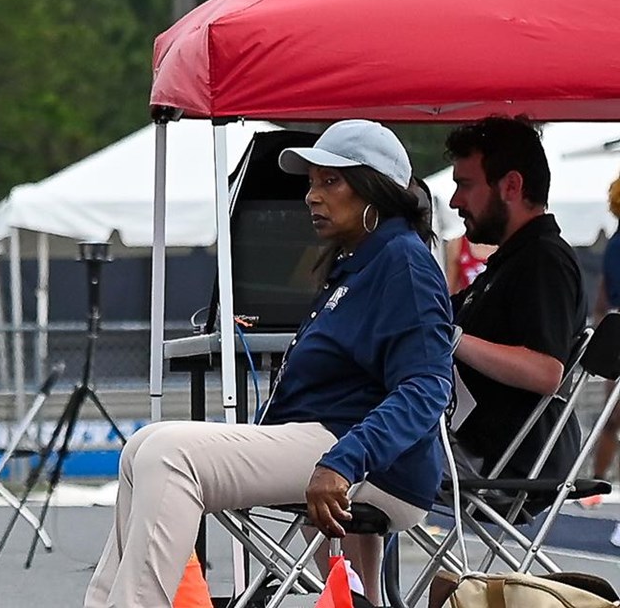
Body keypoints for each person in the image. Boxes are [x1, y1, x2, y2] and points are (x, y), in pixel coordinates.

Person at [85, 120, 452, 608]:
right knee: (143, 445)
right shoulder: (361, 261)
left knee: (168, 454)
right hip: (330, 439)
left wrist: (344, 461)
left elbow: (427, 388)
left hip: (365, 459)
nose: (311, 196)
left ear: (374, 190)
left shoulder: (403, 262)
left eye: (330, 181)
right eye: (311, 182)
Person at [444, 116, 586, 481]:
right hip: (482, 449)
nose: (455, 200)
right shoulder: (512, 262)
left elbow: (545, 371)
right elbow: (438, 316)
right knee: (356, 442)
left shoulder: (543, 259)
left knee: (346, 449)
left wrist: (452, 340)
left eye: (465, 185)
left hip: (502, 459)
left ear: (511, 186)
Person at [591, 173, 620, 485]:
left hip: (615, 336)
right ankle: (597, 480)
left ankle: (597, 481)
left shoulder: (614, 244)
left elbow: (601, 298)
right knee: (612, 417)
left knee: (611, 417)